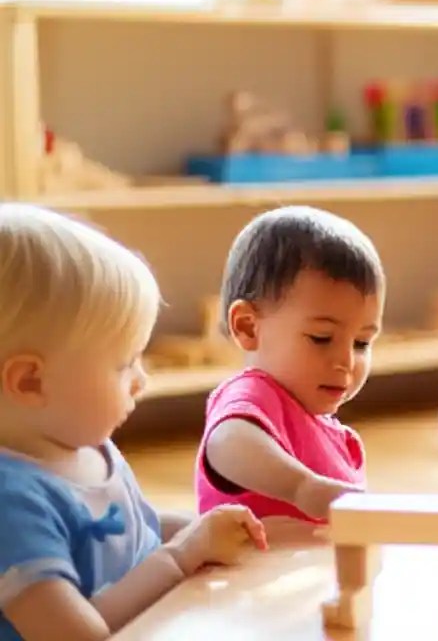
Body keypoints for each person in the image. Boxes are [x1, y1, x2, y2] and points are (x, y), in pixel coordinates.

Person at [0, 205, 267, 640]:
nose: (142, 380)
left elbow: (132, 527)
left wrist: (208, 527)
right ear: (31, 381)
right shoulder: (11, 507)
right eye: (125, 364)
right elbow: (77, 634)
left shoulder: (84, 445)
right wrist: (181, 556)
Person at [195, 206, 384, 523]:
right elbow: (226, 443)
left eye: (362, 343)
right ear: (248, 327)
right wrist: (301, 488)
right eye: (322, 337)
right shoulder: (254, 395)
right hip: (251, 571)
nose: (346, 361)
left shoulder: (329, 430)